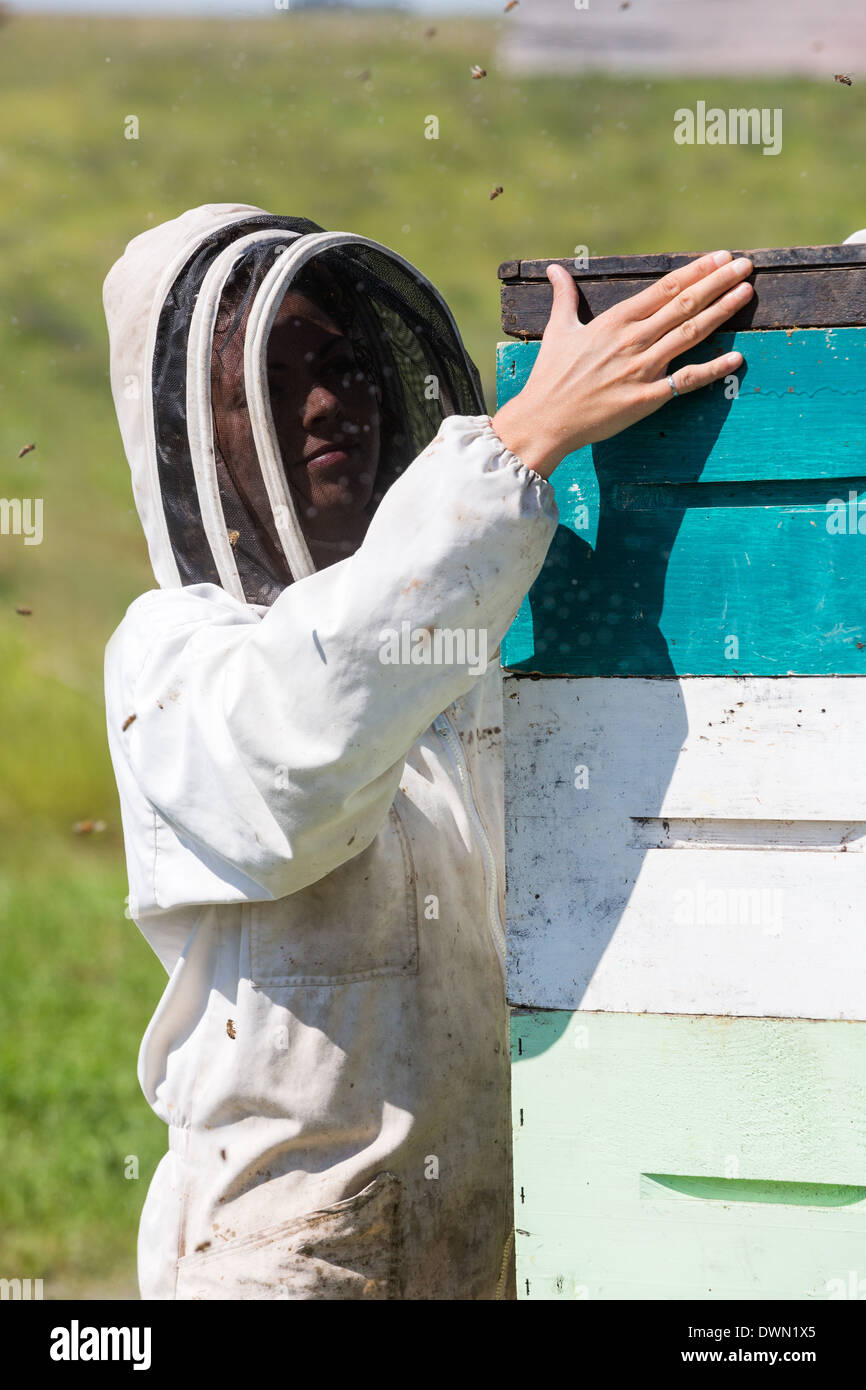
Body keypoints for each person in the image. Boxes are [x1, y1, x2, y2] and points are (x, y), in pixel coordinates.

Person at [102, 202, 753, 1299]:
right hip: (278, 1263)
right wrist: (520, 442)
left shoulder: (457, 650)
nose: (327, 404)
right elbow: (302, 749)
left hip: (489, 1252)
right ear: (191, 439)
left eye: (348, 365)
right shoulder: (173, 662)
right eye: (270, 379)